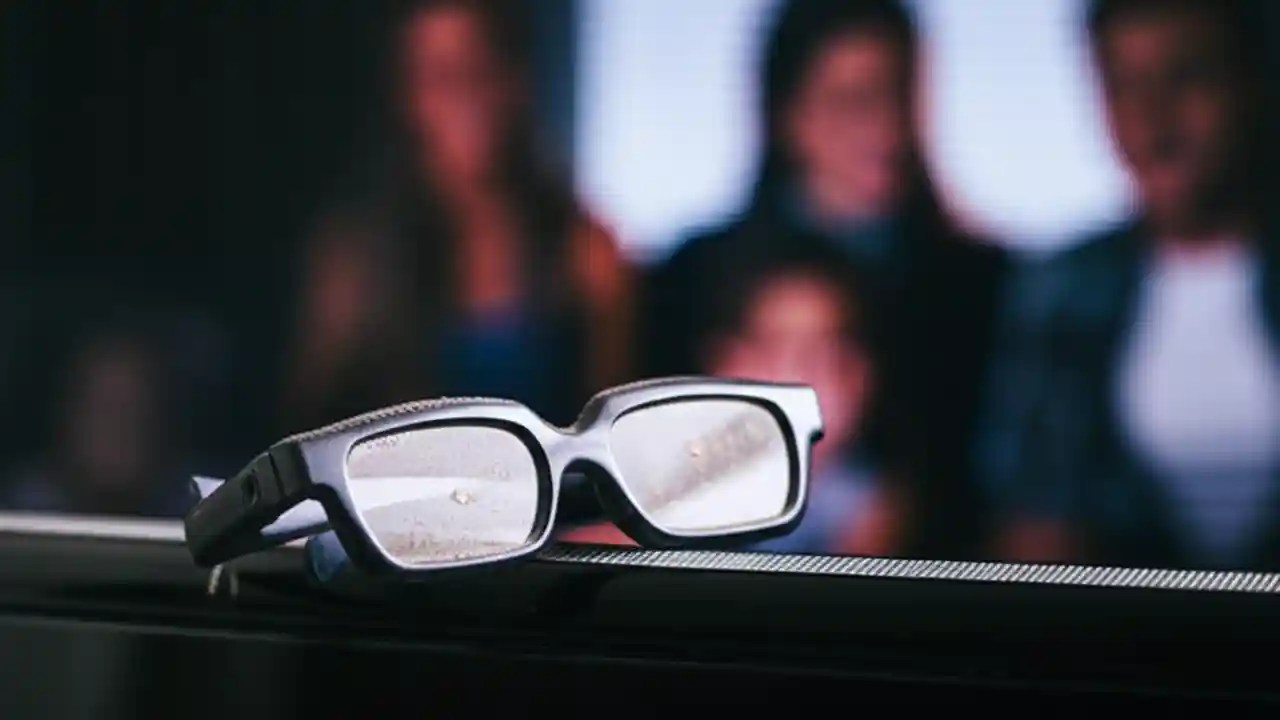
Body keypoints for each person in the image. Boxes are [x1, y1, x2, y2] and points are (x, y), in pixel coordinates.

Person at [645, 0, 1007, 558]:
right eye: (854, 100)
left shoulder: (981, 284)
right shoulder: (692, 279)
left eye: (901, 93)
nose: (887, 126)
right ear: (790, 115)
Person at [979, 0, 1280, 569]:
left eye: (1185, 76)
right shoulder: (1059, 291)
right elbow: (1035, 530)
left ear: (1249, 82)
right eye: (1125, 85)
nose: (1153, 120)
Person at [283, 0, 633, 433]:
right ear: (407, 96)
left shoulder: (583, 251)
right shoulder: (355, 262)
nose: (466, 97)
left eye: (481, 70)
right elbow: (308, 434)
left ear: (515, 81)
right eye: (441, 77)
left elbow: (612, 437)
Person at [564, 239, 903, 555]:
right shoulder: (668, 477)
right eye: (779, 347)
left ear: (861, 374)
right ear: (725, 361)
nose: (807, 374)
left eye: (828, 352)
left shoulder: (871, 508)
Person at [0, 318, 194, 518]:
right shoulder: (19, 521)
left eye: (133, 412)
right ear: (69, 420)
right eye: (106, 408)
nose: (119, 430)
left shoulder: (190, 521)